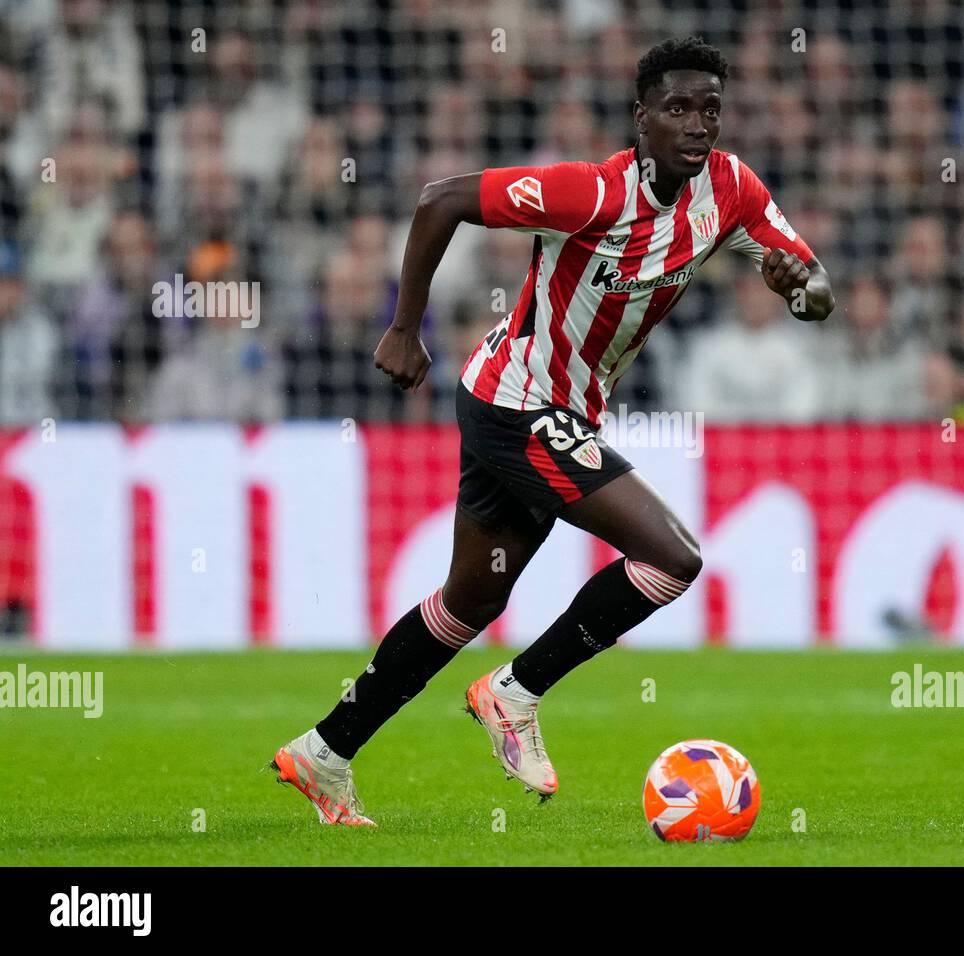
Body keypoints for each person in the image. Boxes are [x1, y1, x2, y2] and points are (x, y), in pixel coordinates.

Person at [271, 36, 835, 826]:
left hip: (552, 408)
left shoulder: (732, 189)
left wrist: (795, 286)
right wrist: (404, 328)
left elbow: (820, 296)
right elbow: (440, 199)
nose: (697, 124)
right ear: (642, 117)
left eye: (710, 108)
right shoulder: (589, 194)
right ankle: (514, 692)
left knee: (470, 601)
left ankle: (324, 752)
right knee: (673, 557)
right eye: (677, 108)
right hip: (516, 403)